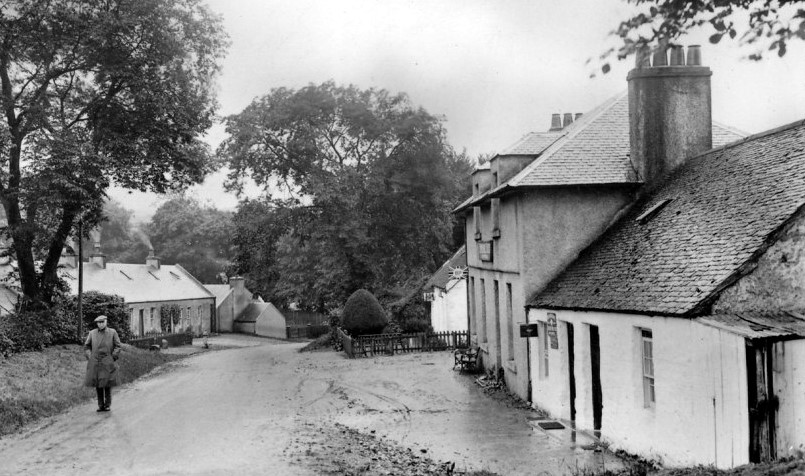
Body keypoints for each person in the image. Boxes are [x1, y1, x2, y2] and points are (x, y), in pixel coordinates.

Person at [84, 315, 122, 412]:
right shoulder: (92, 333)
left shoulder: (112, 332)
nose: (100, 324)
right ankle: (100, 405)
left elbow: (118, 346)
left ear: (106, 322)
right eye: (98, 322)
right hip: (96, 362)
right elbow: (87, 346)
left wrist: (113, 357)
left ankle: (107, 404)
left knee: (107, 383)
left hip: (107, 361)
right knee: (98, 384)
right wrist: (90, 357)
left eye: (102, 322)